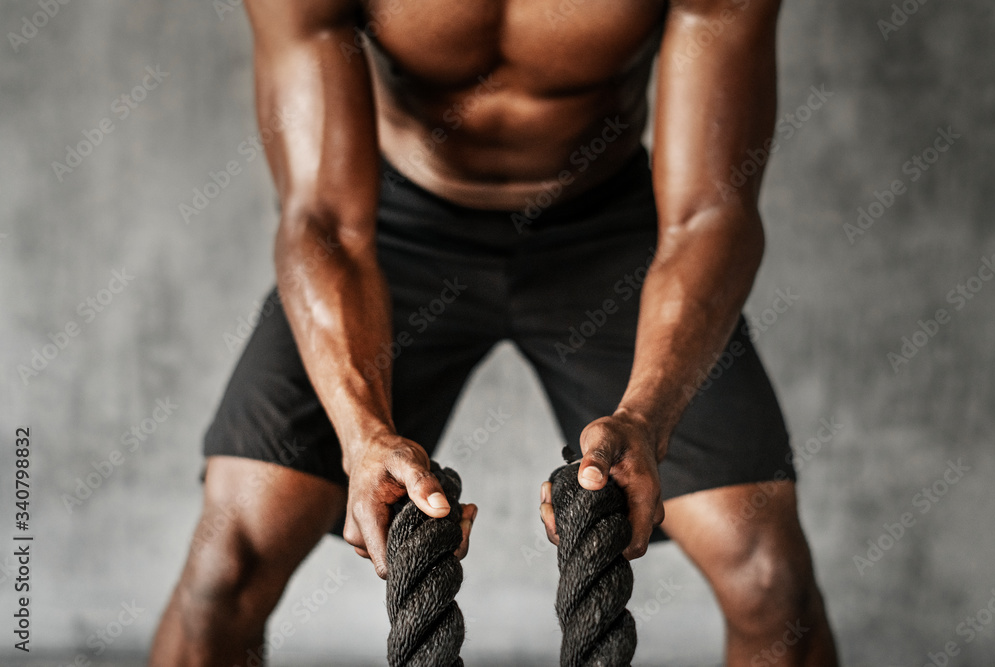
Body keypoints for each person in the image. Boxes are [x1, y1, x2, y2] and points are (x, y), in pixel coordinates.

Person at [151, 0, 839, 664]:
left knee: (769, 579)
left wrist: (647, 415)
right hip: (388, 237)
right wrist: (361, 435)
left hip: (612, 237)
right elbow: (324, 218)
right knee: (226, 564)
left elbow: (708, 215)